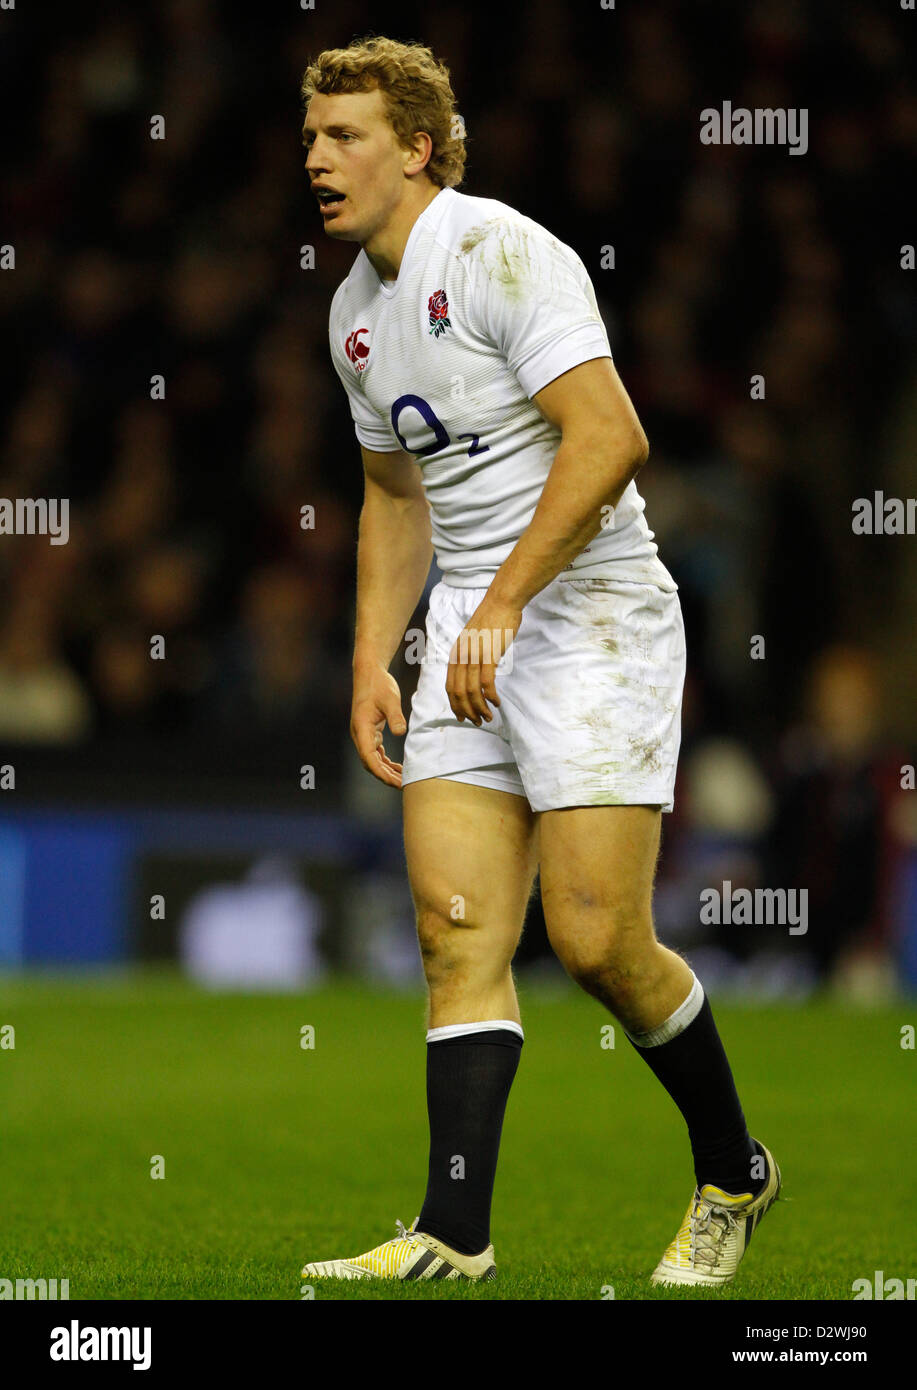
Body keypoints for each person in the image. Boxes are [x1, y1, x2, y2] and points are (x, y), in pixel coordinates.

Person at [300, 35, 780, 1286]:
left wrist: (503, 601)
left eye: (342, 134)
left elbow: (610, 436)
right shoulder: (356, 315)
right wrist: (371, 658)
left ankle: (732, 1170)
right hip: (473, 615)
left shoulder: (503, 250)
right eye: (308, 136)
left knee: (594, 940)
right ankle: (453, 1228)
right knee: (457, 930)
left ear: (415, 147)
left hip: (590, 608)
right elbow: (391, 496)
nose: (315, 158)